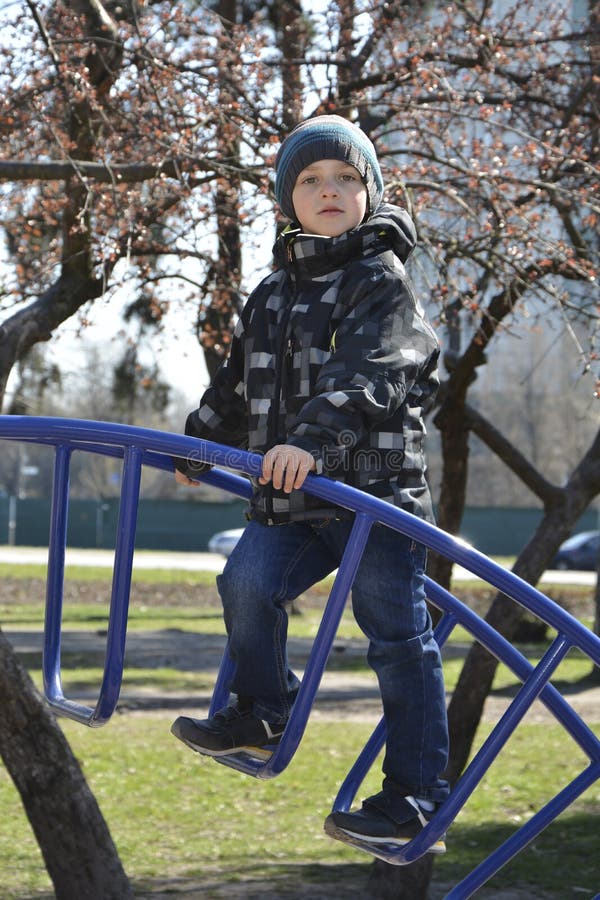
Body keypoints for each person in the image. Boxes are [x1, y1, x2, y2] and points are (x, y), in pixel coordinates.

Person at [171, 115, 449, 851]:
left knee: (396, 638)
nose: (329, 191)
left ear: (371, 192)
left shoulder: (381, 282)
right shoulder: (270, 293)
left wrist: (309, 442)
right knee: (245, 583)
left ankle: (416, 794)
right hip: (294, 498)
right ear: (285, 200)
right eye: (310, 180)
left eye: (347, 179)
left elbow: (371, 375)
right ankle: (264, 707)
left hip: (373, 496)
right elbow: (237, 385)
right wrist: (203, 439)